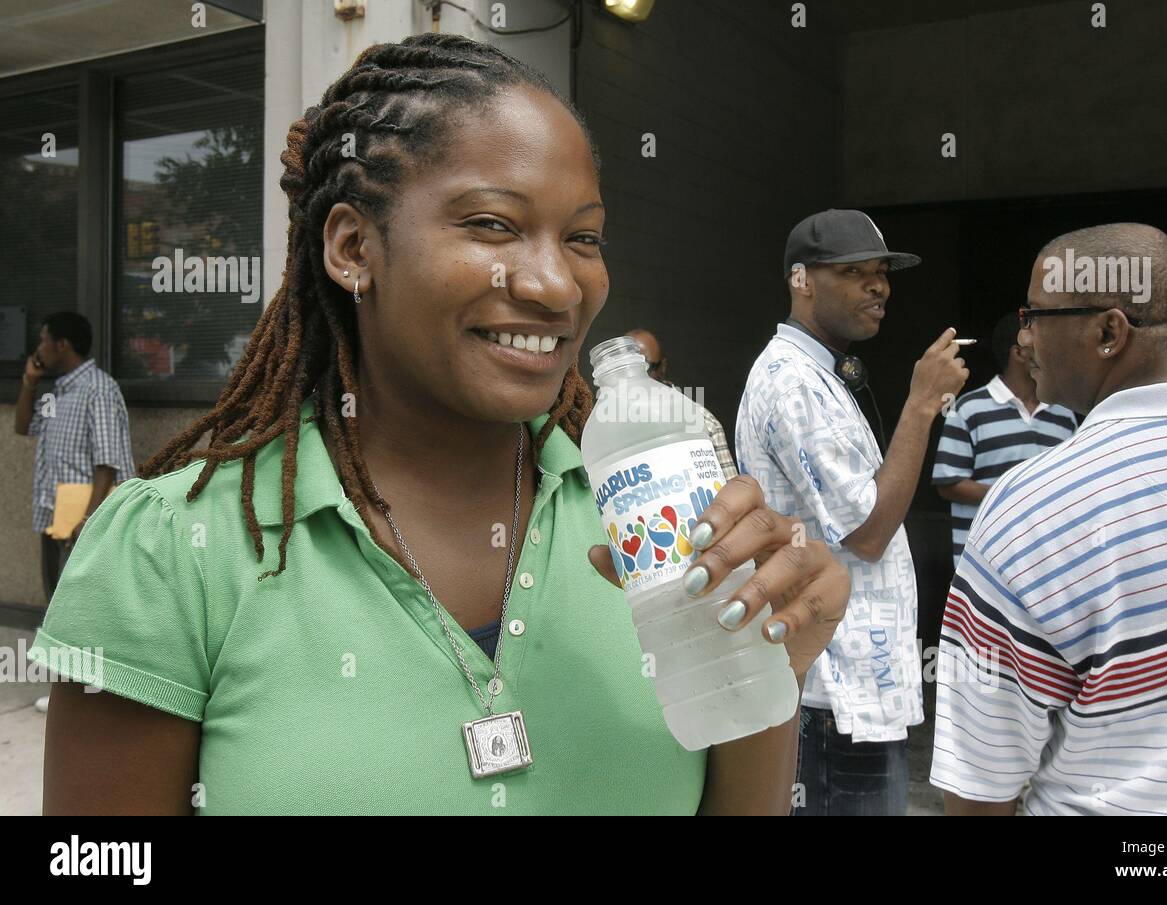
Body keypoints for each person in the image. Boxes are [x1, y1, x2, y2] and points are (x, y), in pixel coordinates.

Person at [27, 33, 849, 816]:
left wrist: (770, 664)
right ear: (353, 246)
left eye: (583, 237)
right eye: (493, 224)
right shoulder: (171, 554)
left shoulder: (647, 515)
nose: (557, 284)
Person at [931, 223, 1167, 815]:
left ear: (1108, 331)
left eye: (1035, 316)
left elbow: (980, 779)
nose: (1024, 339)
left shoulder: (1033, 504)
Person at [735, 208, 968, 815]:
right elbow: (866, 533)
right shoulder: (793, 384)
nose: (879, 286)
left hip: (857, 685)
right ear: (801, 280)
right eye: (854, 271)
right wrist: (921, 403)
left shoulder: (821, 374)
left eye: (882, 273)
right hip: (830, 691)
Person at [932, 312, 1076, 567]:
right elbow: (948, 483)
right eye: (1045, 343)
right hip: (984, 564)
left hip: (1050, 564)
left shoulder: (1064, 414)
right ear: (1019, 353)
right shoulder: (968, 408)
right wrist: (1017, 498)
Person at [13, 311, 134, 604]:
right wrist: (30, 382)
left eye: (43, 341)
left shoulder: (99, 389)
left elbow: (107, 463)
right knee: (56, 604)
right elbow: (24, 426)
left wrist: (88, 520)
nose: (38, 349)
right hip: (54, 516)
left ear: (61, 344)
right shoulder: (58, 392)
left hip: (82, 522)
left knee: (79, 609)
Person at [625, 327, 738, 480]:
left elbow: (732, 491)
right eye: (627, 369)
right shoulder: (607, 422)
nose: (637, 377)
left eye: (647, 368)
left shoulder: (703, 422)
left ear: (662, 367)